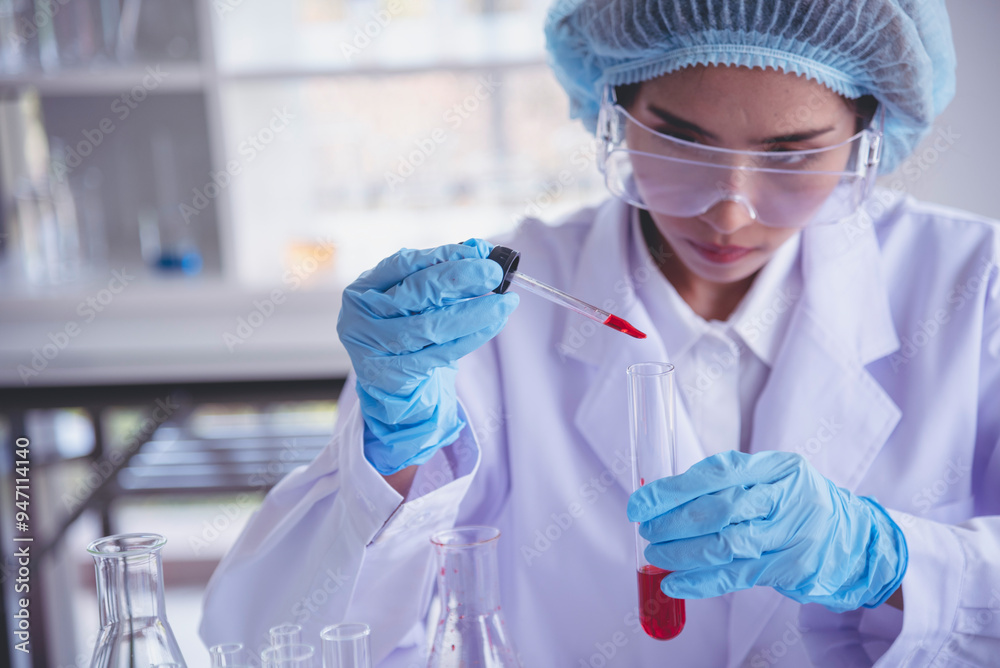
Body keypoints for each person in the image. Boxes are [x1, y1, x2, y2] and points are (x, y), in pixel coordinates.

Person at [200, 0, 1000, 665]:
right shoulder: (486, 324)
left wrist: (892, 563)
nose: (729, 210)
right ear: (612, 112)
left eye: (790, 155)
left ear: (868, 137)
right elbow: (280, 639)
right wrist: (393, 465)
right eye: (683, 142)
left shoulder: (971, 284)